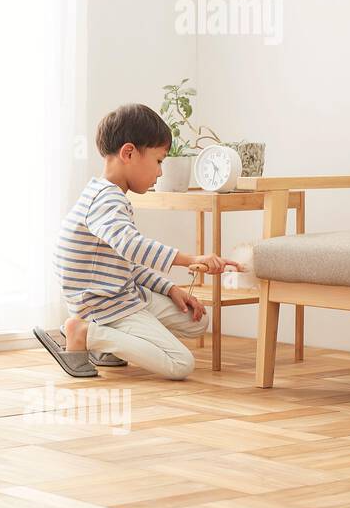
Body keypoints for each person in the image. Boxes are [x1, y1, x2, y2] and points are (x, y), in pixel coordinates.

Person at [48, 103, 241, 380]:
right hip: (105, 307)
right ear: (129, 153)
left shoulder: (105, 194)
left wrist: (170, 288)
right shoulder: (107, 200)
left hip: (121, 294)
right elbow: (132, 246)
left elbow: (124, 262)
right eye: (159, 161)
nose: (160, 172)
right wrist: (191, 259)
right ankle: (86, 333)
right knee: (180, 364)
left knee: (197, 322)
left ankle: (111, 345)